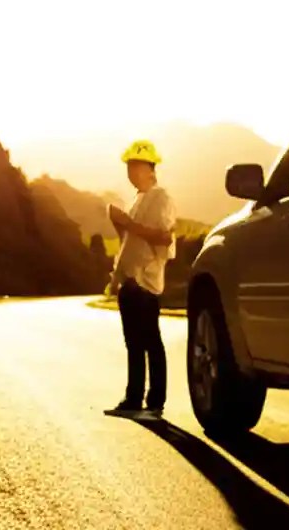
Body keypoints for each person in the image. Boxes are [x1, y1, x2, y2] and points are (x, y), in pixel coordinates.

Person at [106, 139, 177, 420]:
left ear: (151, 168)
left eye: (138, 166)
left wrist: (128, 223)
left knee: (150, 341)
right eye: (129, 167)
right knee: (133, 344)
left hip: (146, 282)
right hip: (129, 281)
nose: (133, 171)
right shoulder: (137, 200)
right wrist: (119, 223)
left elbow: (164, 237)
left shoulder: (161, 197)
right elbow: (130, 239)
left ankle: (155, 402)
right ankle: (133, 399)